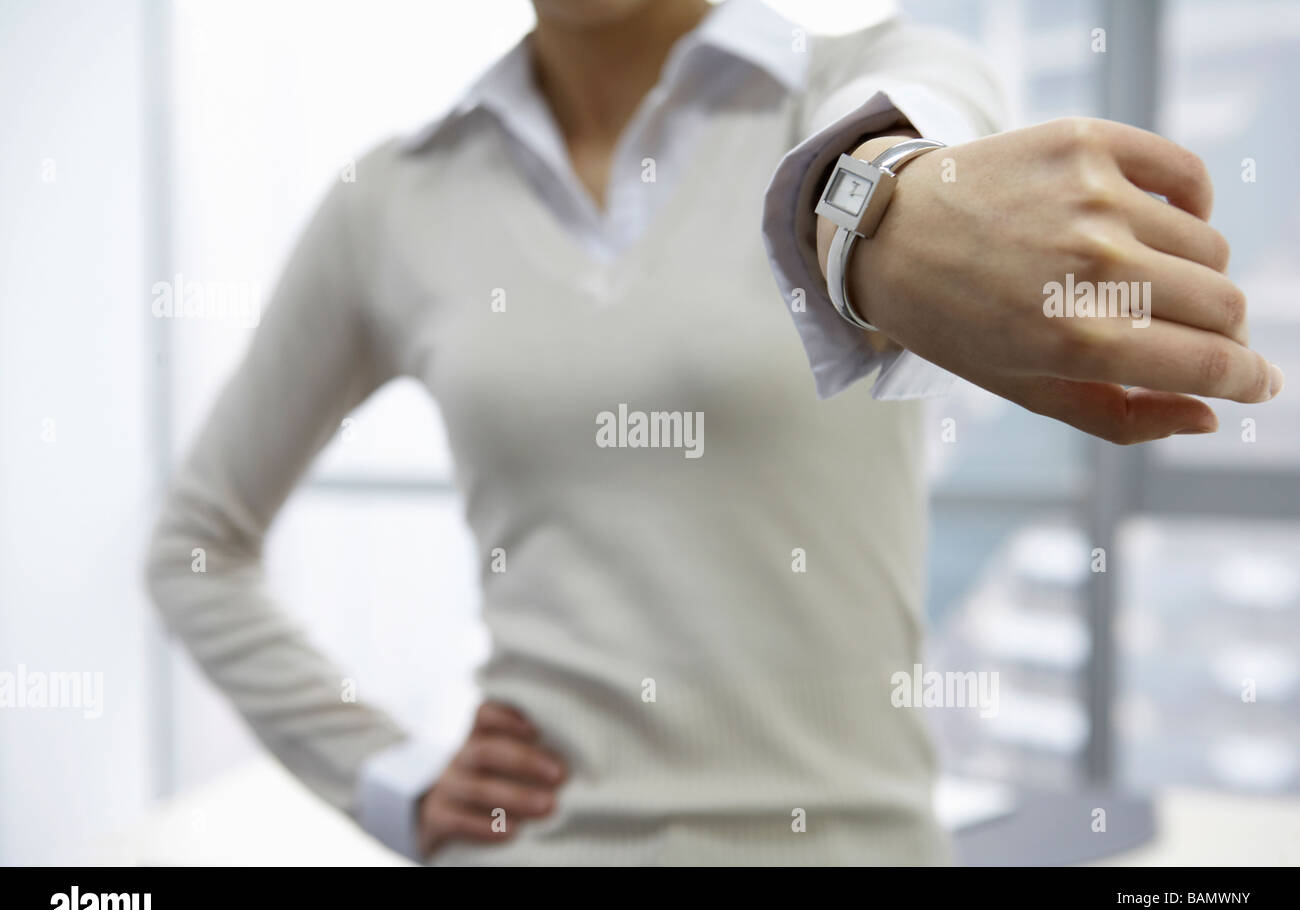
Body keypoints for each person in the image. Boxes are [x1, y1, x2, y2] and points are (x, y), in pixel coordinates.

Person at [145, 0, 1282, 865]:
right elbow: (196, 545)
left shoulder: (870, 78)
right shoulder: (392, 203)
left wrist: (879, 214)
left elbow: (902, 159)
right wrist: (392, 779)